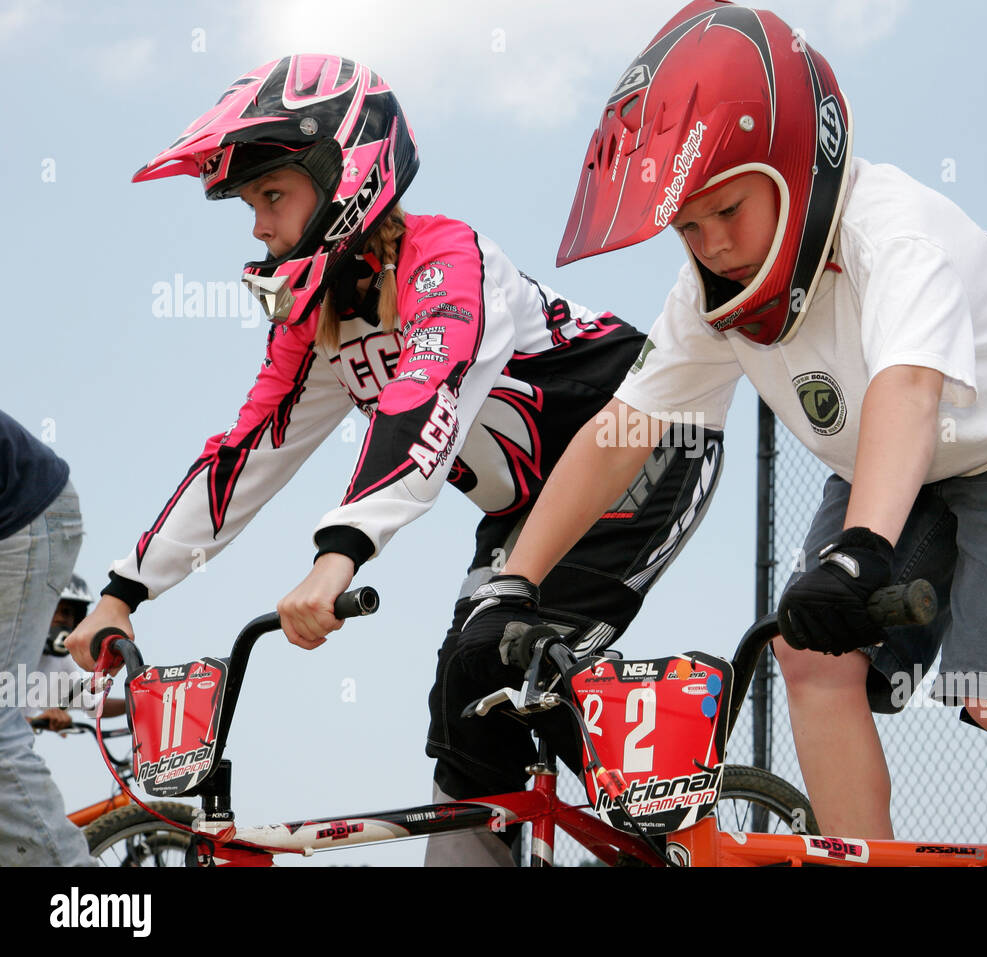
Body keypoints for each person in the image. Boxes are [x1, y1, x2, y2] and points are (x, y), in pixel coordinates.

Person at [487, 0, 987, 865]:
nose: (711, 247)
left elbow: (909, 390)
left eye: (728, 212)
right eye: (688, 227)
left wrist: (860, 550)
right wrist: (514, 582)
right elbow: (624, 429)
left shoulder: (890, 231)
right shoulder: (707, 298)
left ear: (793, 169)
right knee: (812, 655)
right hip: (898, 459)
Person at [66, 55, 722, 866]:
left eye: (272, 196)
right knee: (463, 707)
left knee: (494, 661)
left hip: (645, 454)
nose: (258, 227)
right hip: (528, 508)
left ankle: (679, 831)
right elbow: (243, 457)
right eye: (248, 204)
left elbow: (420, 402)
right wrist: (125, 592)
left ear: (349, 178)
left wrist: (334, 558)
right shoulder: (320, 322)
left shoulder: (449, 263)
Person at [0, 410, 94, 866]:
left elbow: (86, 697)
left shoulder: (50, 659)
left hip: (21, 515)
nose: (60, 621)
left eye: (69, 614)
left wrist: (137, 708)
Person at [26, 575, 126, 731]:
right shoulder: (7, 650)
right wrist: (32, 721)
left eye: (66, 612)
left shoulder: (58, 661)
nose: (59, 618)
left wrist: (139, 701)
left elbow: (92, 703)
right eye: (52, 609)